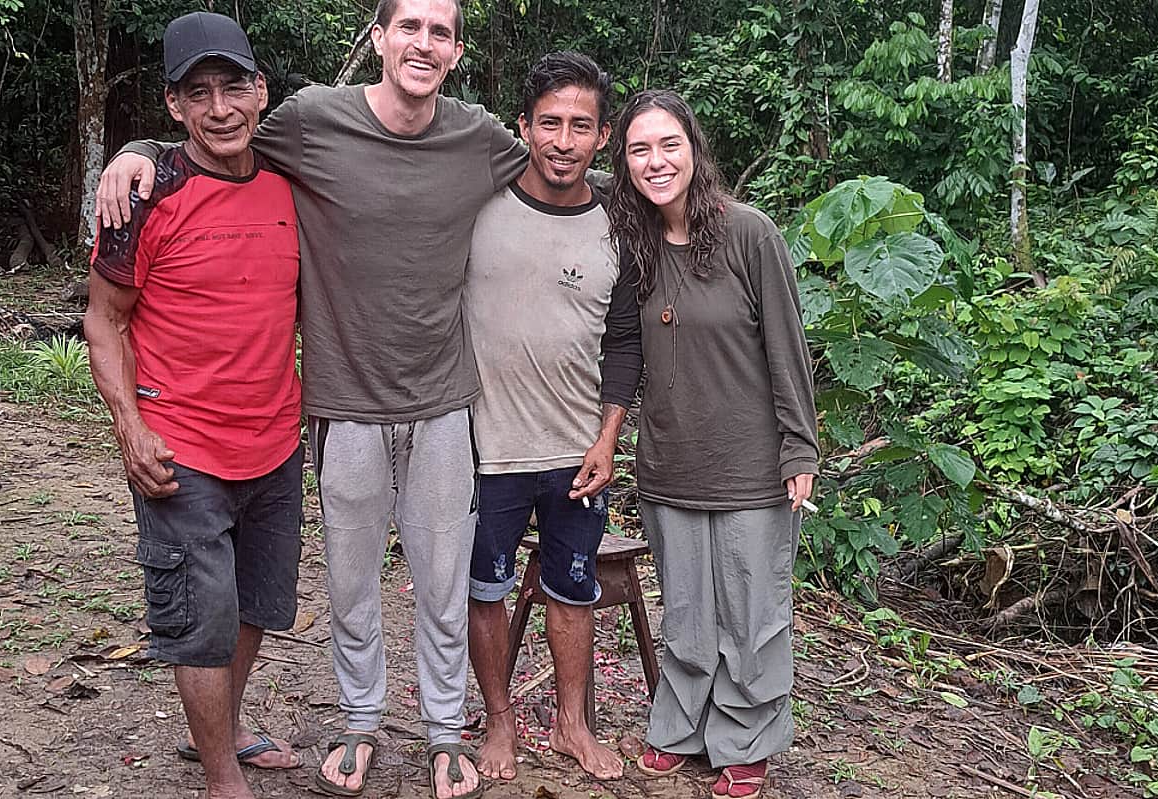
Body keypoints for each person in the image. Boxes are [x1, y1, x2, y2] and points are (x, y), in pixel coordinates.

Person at [95, 2, 526, 797]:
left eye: (440, 31)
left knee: (440, 580)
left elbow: (561, 170)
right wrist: (134, 153)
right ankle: (359, 722)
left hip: (440, 400)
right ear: (380, 37)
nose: (422, 44)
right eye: (409, 27)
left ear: (457, 50)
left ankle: (443, 732)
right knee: (352, 583)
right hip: (341, 401)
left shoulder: (480, 137)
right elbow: (209, 139)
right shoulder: (311, 122)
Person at [84, 12, 303, 799]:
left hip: (276, 441)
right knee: (201, 618)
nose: (220, 109)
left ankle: (230, 723)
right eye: (198, 93)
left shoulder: (290, 181)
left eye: (233, 87)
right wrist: (129, 428)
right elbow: (103, 319)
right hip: (182, 450)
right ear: (173, 106)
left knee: (258, 605)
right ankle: (220, 776)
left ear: (260, 92)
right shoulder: (146, 196)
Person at [606, 89, 819, 799]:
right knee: (689, 613)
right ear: (624, 160)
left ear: (693, 148)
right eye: (640, 148)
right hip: (669, 464)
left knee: (753, 614)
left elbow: (788, 349)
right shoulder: (633, 241)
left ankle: (745, 738)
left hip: (750, 466)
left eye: (669, 144)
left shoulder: (749, 234)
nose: (656, 160)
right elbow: (626, 351)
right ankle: (681, 728)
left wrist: (799, 447)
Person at [463, 51, 639, 783]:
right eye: (549, 123)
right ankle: (499, 722)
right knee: (485, 588)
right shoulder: (477, 201)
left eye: (581, 126)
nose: (563, 140)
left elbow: (625, 340)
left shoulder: (618, 228)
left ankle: (572, 722)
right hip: (485, 445)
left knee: (573, 587)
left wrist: (608, 438)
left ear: (602, 138)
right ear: (523, 127)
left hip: (576, 450)